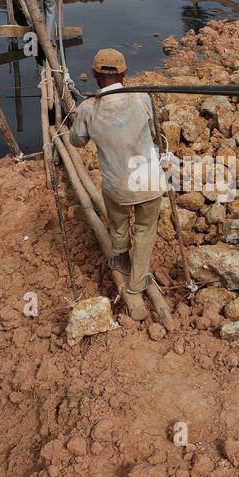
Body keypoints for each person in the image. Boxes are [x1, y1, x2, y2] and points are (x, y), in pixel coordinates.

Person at [69, 49, 166, 322]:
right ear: (125, 73)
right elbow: (152, 125)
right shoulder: (142, 96)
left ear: (96, 76)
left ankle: (120, 257)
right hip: (149, 180)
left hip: (117, 186)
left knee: (118, 222)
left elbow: (76, 141)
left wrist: (78, 117)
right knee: (146, 229)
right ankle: (137, 282)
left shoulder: (88, 108)